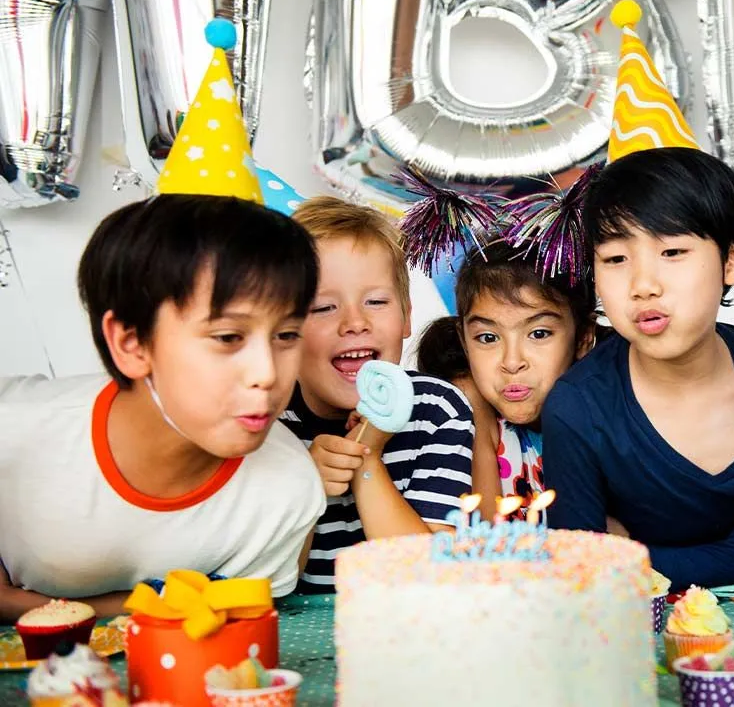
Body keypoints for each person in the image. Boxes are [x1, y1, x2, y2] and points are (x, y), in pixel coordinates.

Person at [0, 195, 327, 621]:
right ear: (131, 343)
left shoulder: (287, 489)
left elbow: (232, 615)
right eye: (228, 337)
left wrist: (21, 605)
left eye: (286, 335)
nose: (266, 373)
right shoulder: (18, 431)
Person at [543, 147, 734, 590]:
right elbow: (585, 572)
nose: (644, 285)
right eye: (616, 259)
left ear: (732, 259)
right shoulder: (578, 408)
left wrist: (637, 555)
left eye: (673, 251)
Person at [283, 198, 474, 593]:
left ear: (406, 315)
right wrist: (305, 487)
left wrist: (367, 461)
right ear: (283, 330)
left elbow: (425, 579)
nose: (355, 323)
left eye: (376, 301)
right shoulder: (268, 423)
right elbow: (270, 587)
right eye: (323, 307)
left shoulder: (438, 411)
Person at [414, 241, 598, 510]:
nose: (512, 363)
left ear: (583, 337)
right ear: (464, 341)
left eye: (538, 334)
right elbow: (481, 535)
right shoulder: (463, 426)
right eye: (488, 338)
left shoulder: (608, 421)